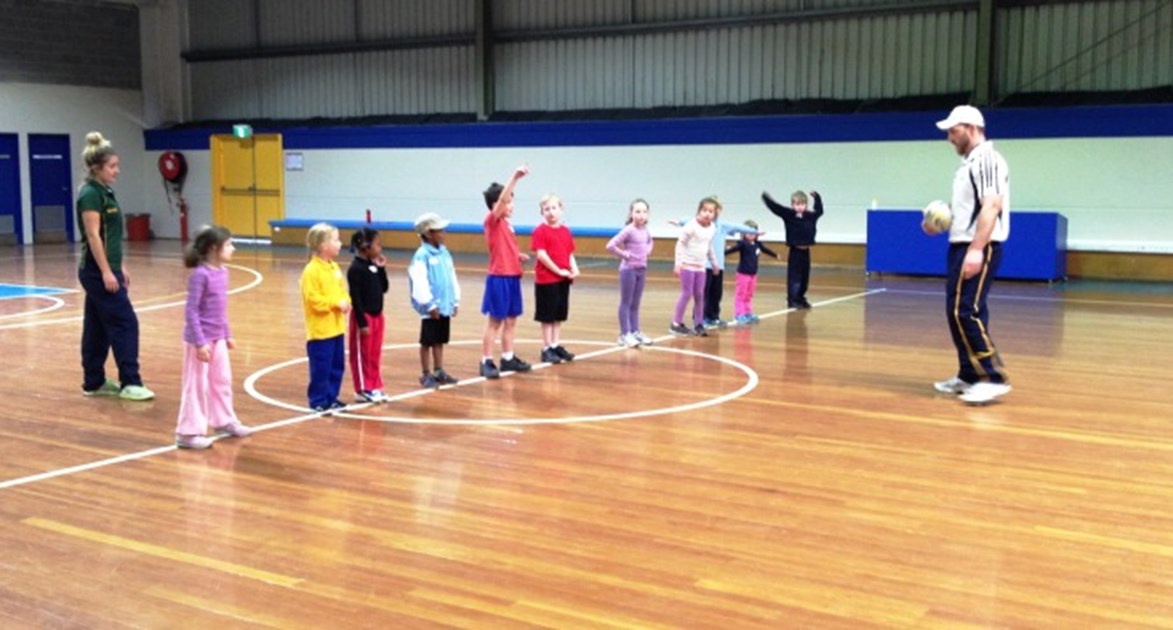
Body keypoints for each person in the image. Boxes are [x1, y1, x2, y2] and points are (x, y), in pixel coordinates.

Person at [929, 105, 1012, 404]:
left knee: (966, 311)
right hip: (960, 245)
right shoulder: (968, 163)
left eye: (954, 131)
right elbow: (968, 209)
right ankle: (969, 374)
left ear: (973, 128)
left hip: (979, 246)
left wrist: (977, 250)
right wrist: (938, 222)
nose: (949, 138)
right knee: (956, 312)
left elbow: (992, 206)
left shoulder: (987, 159)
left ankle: (992, 377)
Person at [76, 131, 154, 401]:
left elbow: (111, 235)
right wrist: (107, 272)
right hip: (96, 271)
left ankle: (94, 381)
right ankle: (131, 381)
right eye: (112, 166)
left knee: (97, 326)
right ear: (97, 168)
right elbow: (93, 235)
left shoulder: (105, 191)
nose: (117, 171)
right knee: (125, 322)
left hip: (107, 268)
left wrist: (120, 266)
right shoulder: (90, 194)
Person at [174, 225, 253, 450]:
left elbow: (220, 309)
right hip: (199, 341)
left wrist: (227, 333)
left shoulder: (223, 272)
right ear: (213, 248)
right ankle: (187, 432)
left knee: (222, 380)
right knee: (196, 386)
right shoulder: (200, 275)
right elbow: (191, 311)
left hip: (217, 338)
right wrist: (200, 343)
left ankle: (223, 421)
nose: (233, 248)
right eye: (228, 244)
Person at [479, 165, 533, 379]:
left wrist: (517, 256)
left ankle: (508, 358)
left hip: (512, 278)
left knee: (511, 321)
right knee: (495, 322)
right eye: (508, 201)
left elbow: (503, 248)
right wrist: (515, 178)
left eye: (512, 201)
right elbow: (501, 200)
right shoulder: (491, 221)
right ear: (496, 205)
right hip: (498, 278)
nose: (511, 205)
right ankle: (486, 361)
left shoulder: (508, 226)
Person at [670, 198, 757, 328]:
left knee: (716, 293)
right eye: (706, 210)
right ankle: (699, 318)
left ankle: (713, 317)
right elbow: (687, 222)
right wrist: (678, 222)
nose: (709, 213)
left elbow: (738, 226)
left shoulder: (720, 226)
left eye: (713, 210)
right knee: (702, 293)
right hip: (704, 266)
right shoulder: (697, 223)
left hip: (718, 265)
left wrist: (753, 231)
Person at [300, 222, 351, 412]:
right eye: (336, 240)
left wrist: (346, 301)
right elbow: (313, 300)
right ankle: (318, 400)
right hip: (320, 332)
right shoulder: (311, 271)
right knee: (321, 368)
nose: (340, 244)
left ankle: (332, 397)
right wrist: (335, 303)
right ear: (323, 245)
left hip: (336, 328)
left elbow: (342, 291)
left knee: (336, 366)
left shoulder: (334, 267)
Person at [408, 212, 461, 388]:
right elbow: (419, 281)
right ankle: (425, 373)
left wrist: (455, 300)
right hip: (431, 308)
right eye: (440, 230)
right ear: (429, 233)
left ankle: (439, 371)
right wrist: (429, 304)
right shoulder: (422, 255)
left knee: (439, 340)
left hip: (444, 304)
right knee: (427, 341)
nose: (443, 233)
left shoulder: (444, 253)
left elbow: (451, 276)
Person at [531, 194, 580, 364]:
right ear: (542, 212)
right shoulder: (540, 231)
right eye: (547, 209)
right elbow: (541, 255)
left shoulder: (565, 231)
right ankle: (546, 348)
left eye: (554, 208)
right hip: (546, 280)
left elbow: (569, 253)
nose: (551, 212)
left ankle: (555, 344)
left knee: (559, 314)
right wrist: (558, 270)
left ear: (561, 209)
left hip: (562, 280)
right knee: (547, 316)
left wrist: (574, 268)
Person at [347, 227, 390, 403]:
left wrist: (381, 269)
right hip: (363, 317)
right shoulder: (355, 269)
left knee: (374, 354)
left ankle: (374, 385)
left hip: (377, 316)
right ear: (365, 246)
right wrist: (362, 322)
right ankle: (363, 388)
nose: (380, 247)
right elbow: (355, 298)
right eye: (377, 244)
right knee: (362, 355)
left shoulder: (373, 265)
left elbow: (384, 288)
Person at [761, 188, 824, 308]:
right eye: (797, 204)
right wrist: (766, 199)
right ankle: (792, 299)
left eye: (802, 204)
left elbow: (819, 211)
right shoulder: (789, 215)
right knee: (795, 277)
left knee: (805, 277)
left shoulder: (810, 216)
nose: (800, 207)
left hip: (806, 251)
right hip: (795, 251)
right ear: (792, 205)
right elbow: (776, 208)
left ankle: (800, 297)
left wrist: (817, 198)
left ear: (806, 205)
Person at [605, 198, 655, 347]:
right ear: (631, 213)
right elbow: (610, 245)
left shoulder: (645, 230)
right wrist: (625, 255)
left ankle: (635, 331)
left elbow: (650, 241)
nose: (641, 215)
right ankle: (624, 334)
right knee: (626, 302)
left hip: (642, 269)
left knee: (635, 303)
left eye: (644, 211)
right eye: (637, 211)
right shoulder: (628, 230)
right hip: (629, 270)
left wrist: (648, 251)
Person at [671, 197, 720, 337]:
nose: (707, 214)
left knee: (699, 295)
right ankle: (676, 324)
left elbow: (709, 246)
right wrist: (678, 263)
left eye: (710, 211)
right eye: (704, 210)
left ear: (715, 214)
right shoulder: (691, 226)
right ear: (699, 211)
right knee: (686, 293)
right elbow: (680, 243)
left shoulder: (712, 228)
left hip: (700, 267)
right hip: (687, 265)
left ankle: (699, 324)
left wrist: (714, 263)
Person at [725, 220, 781, 325]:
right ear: (744, 233)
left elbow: (765, 250)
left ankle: (747, 313)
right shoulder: (743, 244)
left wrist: (775, 255)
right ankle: (739, 314)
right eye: (748, 232)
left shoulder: (757, 244)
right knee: (741, 294)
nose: (751, 235)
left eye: (753, 232)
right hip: (743, 274)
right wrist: (721, 253)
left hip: (753, 274)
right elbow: (732, 250)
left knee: (749, 294)